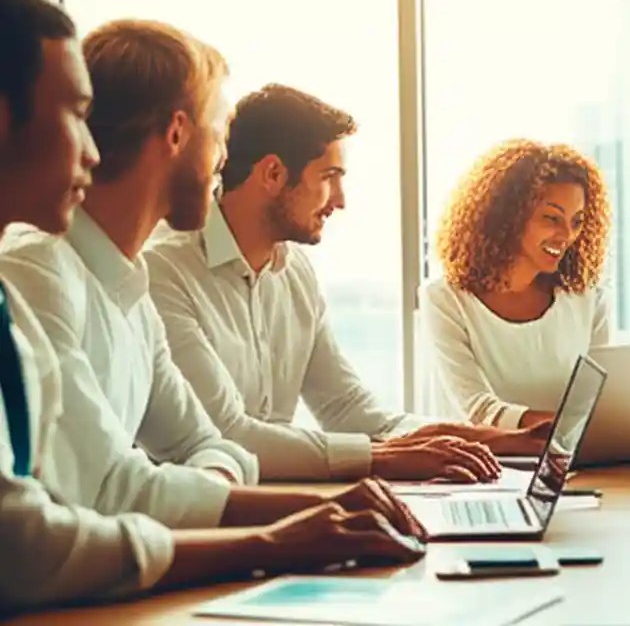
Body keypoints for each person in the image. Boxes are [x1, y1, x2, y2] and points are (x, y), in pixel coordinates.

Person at [0, 0, 421, 612]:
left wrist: (303, 512)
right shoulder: (38, 276)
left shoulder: (129, 291)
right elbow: (60, 528)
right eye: (221, 132)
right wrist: (275, 537)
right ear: (177, 132)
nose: (226, 161)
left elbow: (208, 449)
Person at [145, 84, 533, 482]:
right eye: (329, 177)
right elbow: (226, 434)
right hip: (204, 517)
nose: (340, 200)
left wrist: (500, 440)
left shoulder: (295, 271)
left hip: (276, 496)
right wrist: (381, 458)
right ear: (273, 173)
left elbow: (347, 409)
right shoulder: (164, 270)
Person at [424, 139, 610, 429]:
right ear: (507, 217)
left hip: (573, 467)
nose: (566, 235)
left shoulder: (588, 298)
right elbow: (478, 408)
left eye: (577, 221)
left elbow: (603, 403)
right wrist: (567, 429)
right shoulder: (446, 299)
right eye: (551, 218)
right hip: (483, 469)